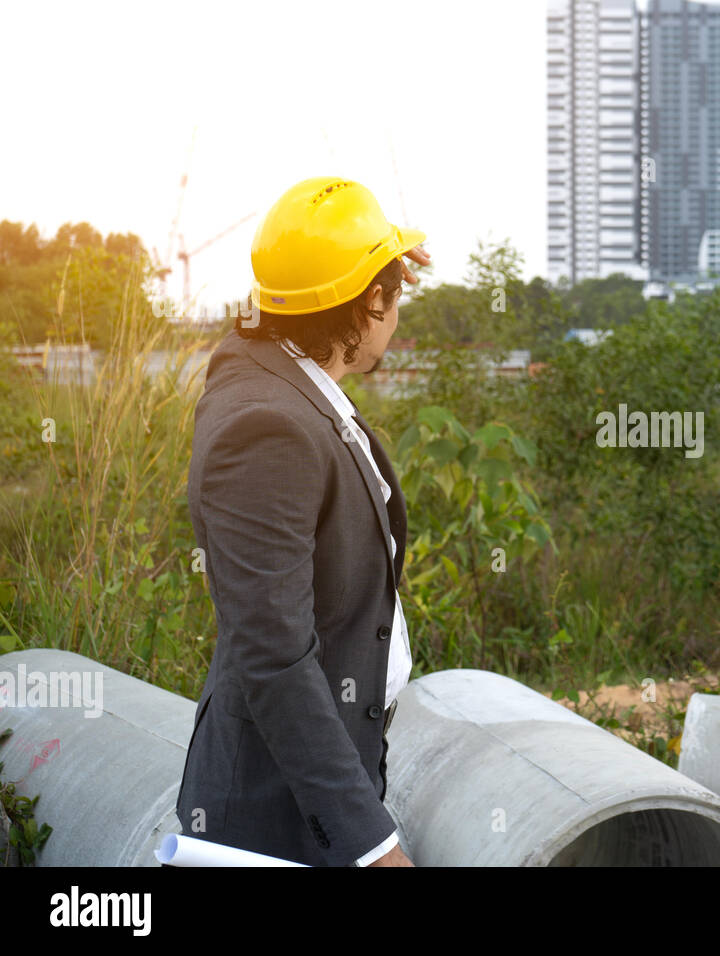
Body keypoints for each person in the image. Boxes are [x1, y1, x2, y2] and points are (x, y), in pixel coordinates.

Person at [174, 177, 429, 866]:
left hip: (316, 793)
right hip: (275, 824)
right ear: (373, 300)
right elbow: (276, 658)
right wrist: (371, 846)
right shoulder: (269, 429)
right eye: (395, 294)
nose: (398, 315)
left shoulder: (272, 379)